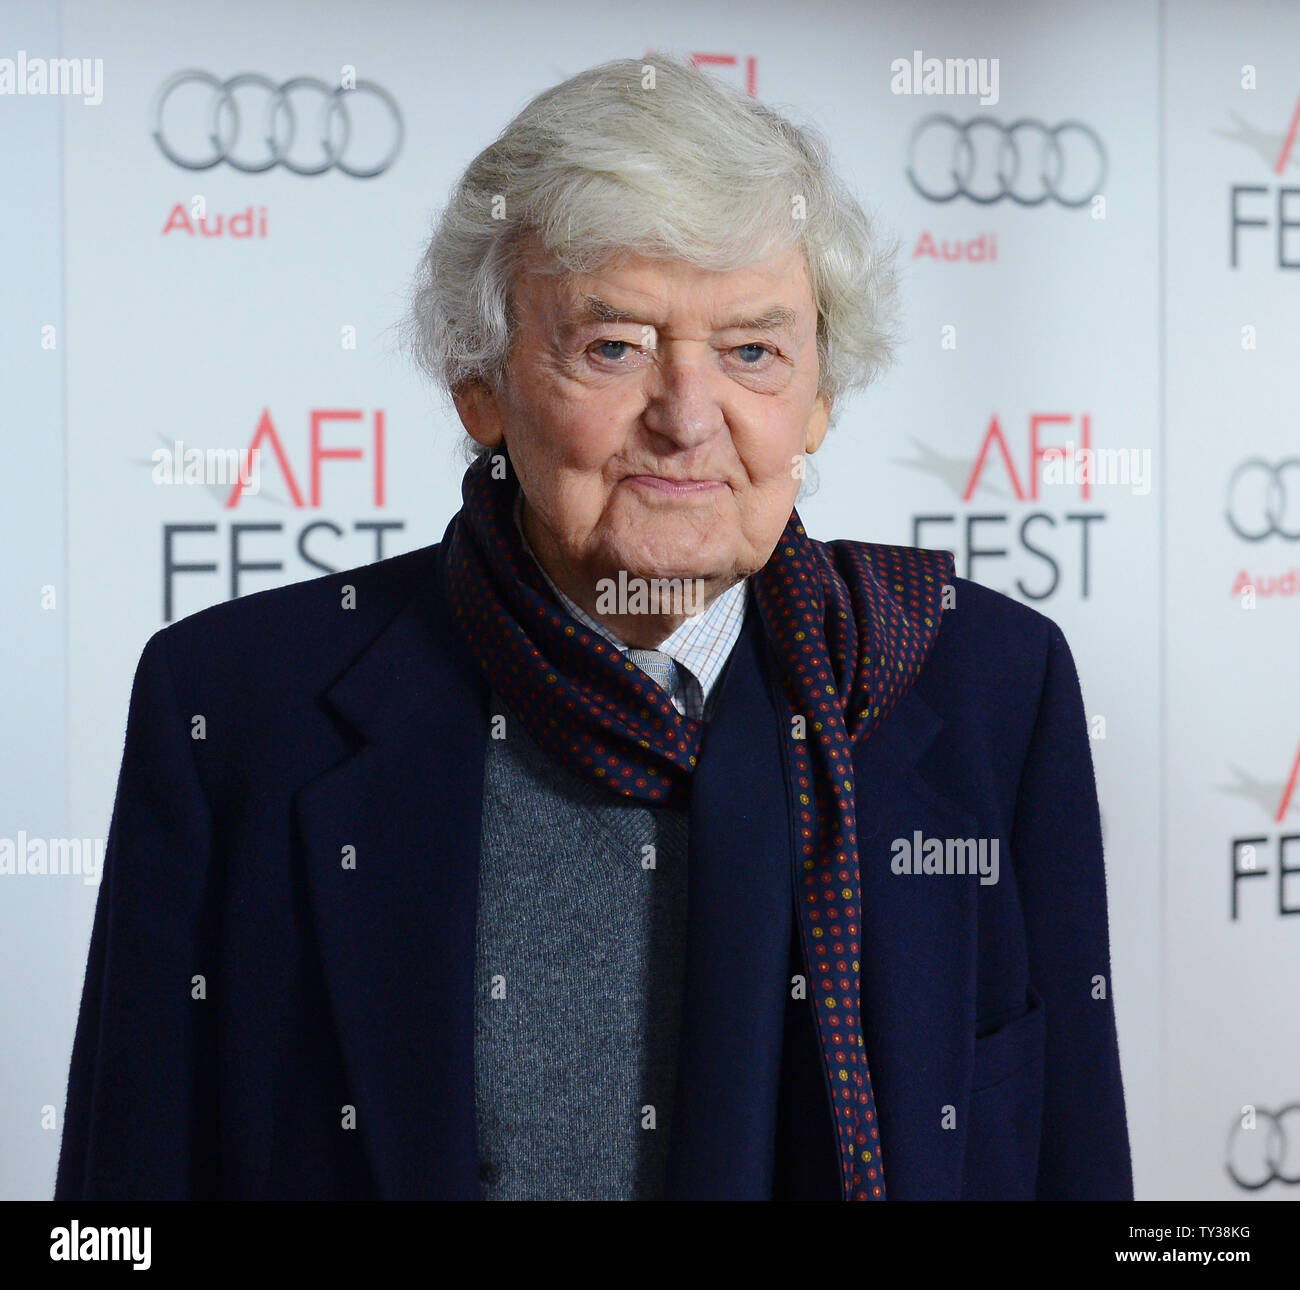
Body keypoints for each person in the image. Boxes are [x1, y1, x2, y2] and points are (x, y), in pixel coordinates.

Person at [55, 53, 1131, 1201]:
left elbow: (1071, 1163)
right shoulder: (235, 703)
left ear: (819, 397)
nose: (686, 419)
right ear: (482, 385)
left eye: (752, 352)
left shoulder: (977, 685)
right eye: (613, 346)